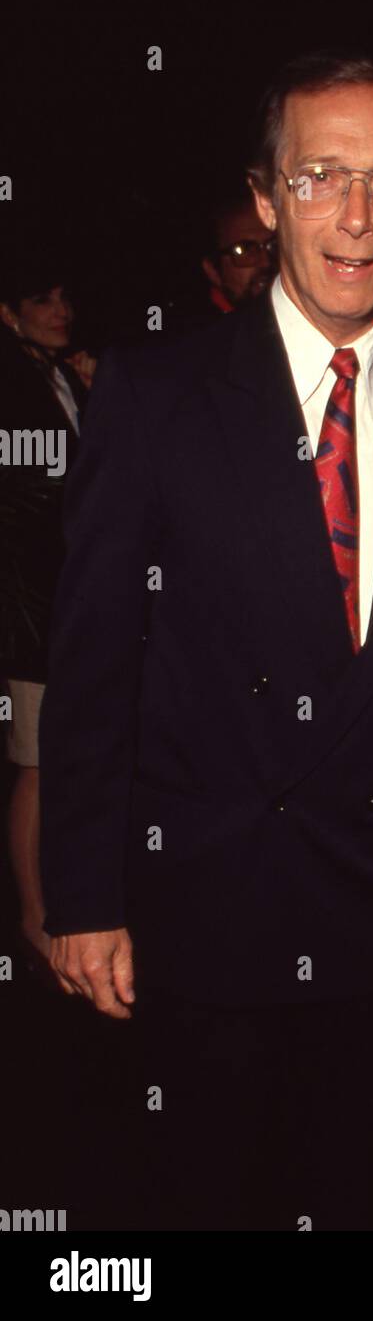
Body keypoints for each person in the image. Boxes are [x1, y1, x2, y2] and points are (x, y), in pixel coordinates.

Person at [38, 50, 373, 1231]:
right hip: (203, 912)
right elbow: (95, 663)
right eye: (320, 177)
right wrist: (81, 890)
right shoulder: (152, 393)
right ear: (264, 195)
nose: (355, 218)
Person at [0, 257, 90, 970]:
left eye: (65, 297)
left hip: (70, 606)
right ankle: (33, 915)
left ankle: (65, 898)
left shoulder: (60, 375)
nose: (61, 310)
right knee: (36, 763)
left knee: (65, 759)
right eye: (42, 299)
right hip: (34, 613)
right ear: (8, 312)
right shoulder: (11, 387)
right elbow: (38, 503)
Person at [200, 191, 277, 312]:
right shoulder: (200, 328)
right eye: (244, 250)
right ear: (213, 271)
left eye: (273, 245)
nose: (266, 262)